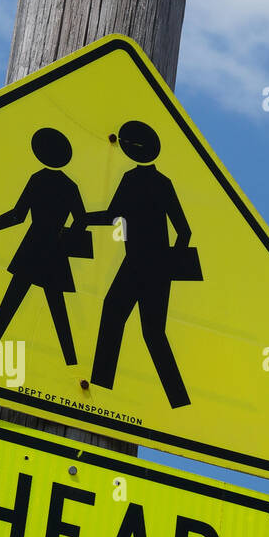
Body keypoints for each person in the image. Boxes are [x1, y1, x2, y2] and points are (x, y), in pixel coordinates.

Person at [87, 120, 194, 408]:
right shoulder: (158, 182)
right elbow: (183, 232)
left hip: (139, 264)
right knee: (148, 330)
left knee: (118, 318)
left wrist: (84, 218)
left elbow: (114, 216)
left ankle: (101, 385)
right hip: (151, 266)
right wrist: (170, 262)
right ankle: (177, 399)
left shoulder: (135, 180)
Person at [0, 127, 88, 366]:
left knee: (13, 299)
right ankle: (71, 360)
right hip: (55, 249)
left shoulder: (38, 179)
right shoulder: (70, 185)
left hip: (33, 247)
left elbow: (18, 215)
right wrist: (66, 239)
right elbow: (81, 219)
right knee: (57, 307)